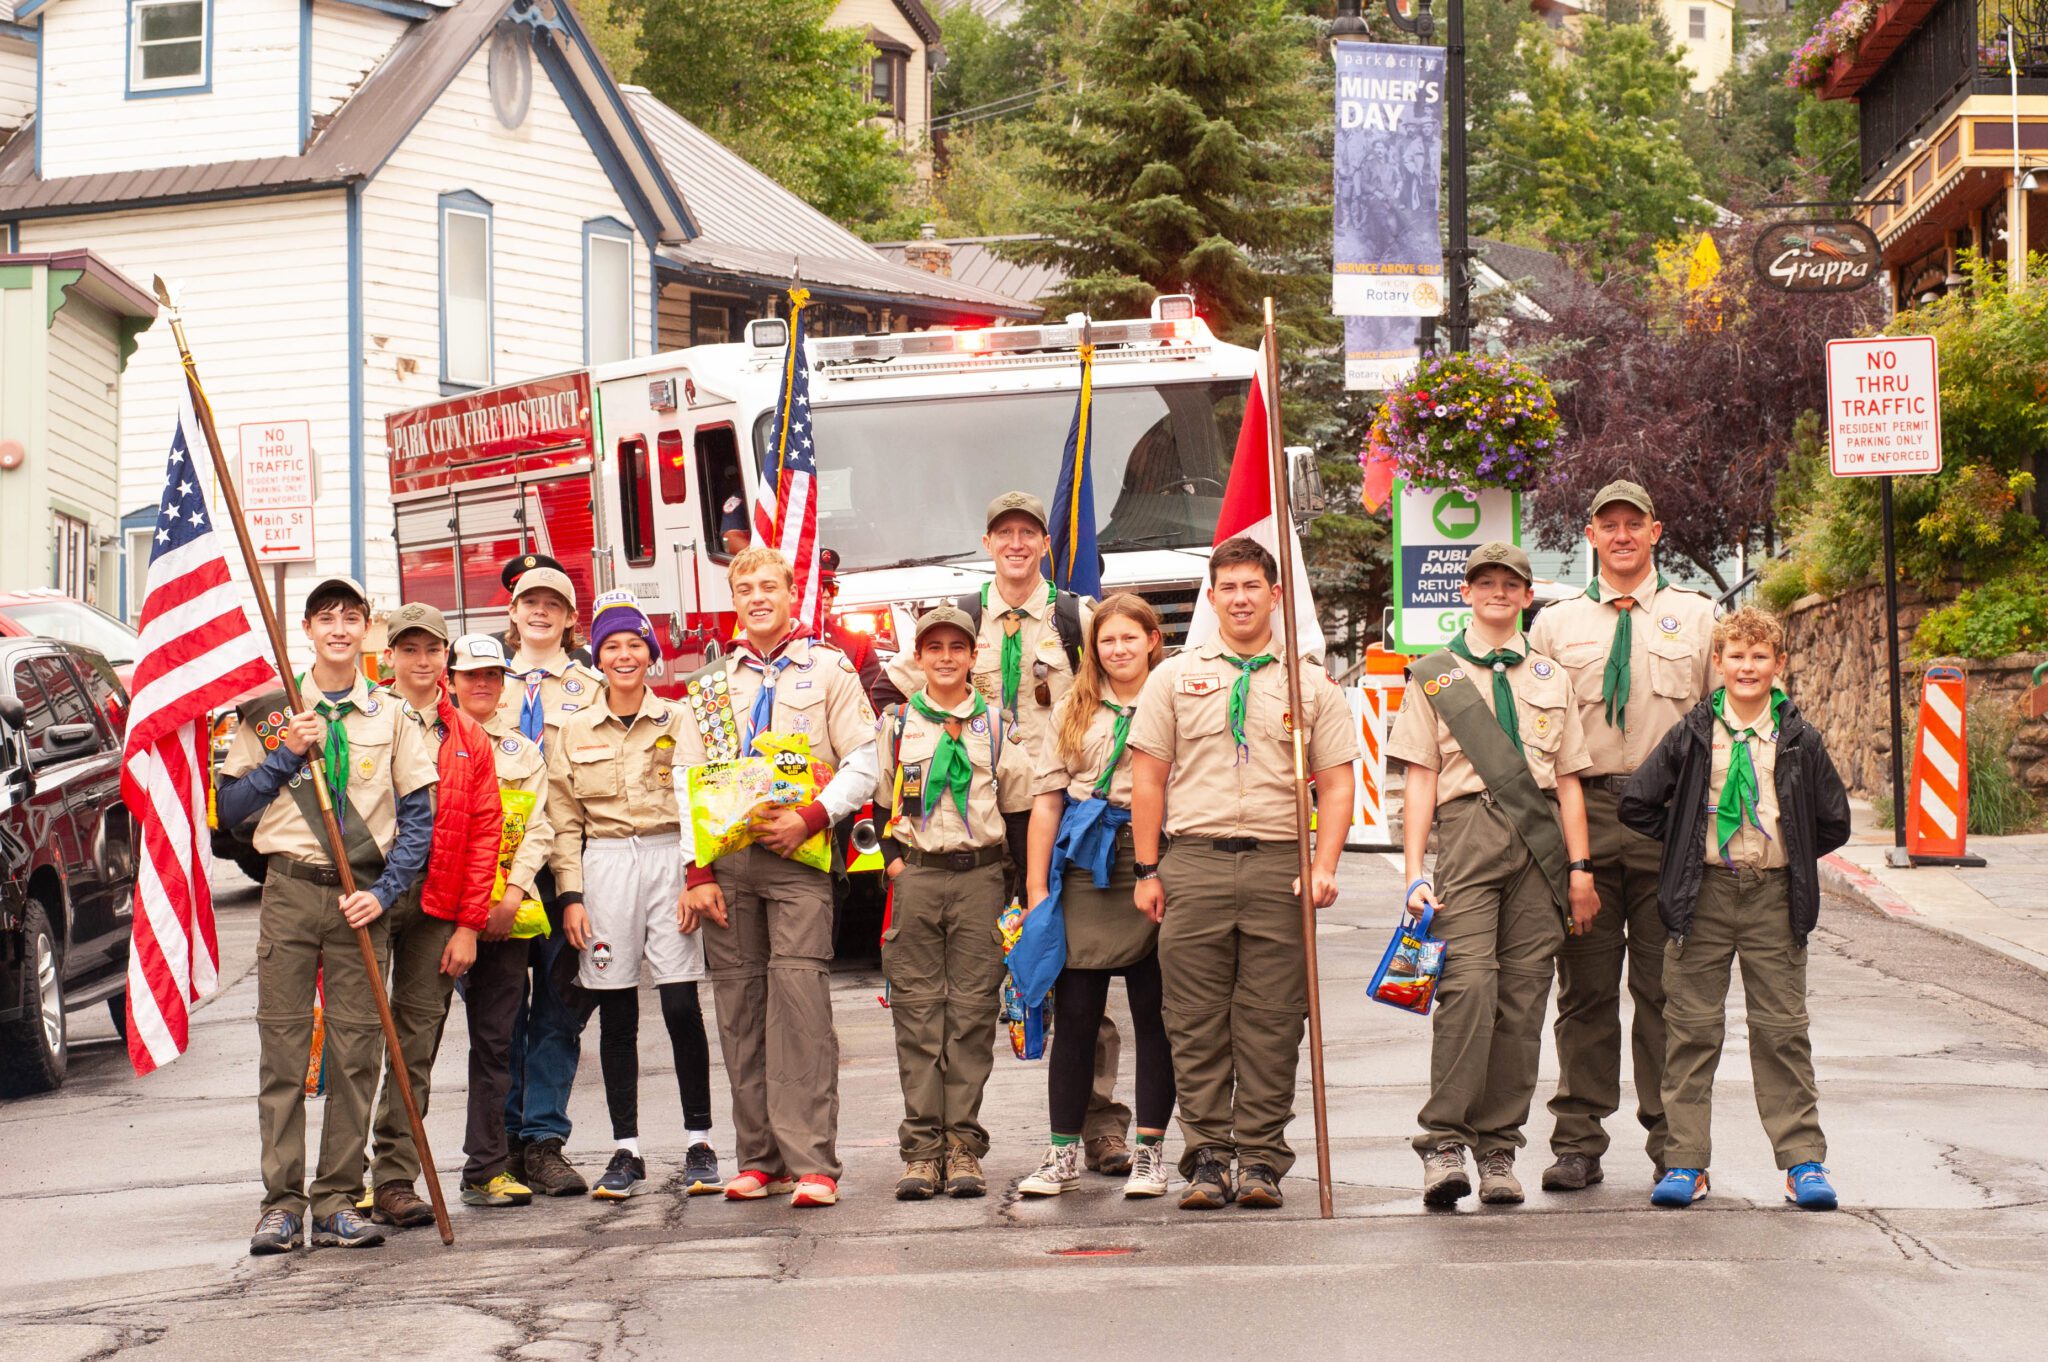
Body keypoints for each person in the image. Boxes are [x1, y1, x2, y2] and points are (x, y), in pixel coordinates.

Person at [885, 491, 1133, 1177]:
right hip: (985, 812)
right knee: (973, 982)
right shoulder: (960, 621)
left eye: (1029, 533)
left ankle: (1099, 1123)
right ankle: (958, 1138)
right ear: (987, 542)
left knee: (1079, 964)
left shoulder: (1075, 618)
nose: (1017, 544)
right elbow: (915, 708)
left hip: (1064, 805)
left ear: (1045, 544)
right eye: (1005, 534)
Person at [1129, 537, 1357, 1211]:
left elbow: (1337, 786)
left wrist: (1323, 865)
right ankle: (1207, 1158)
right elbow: (1148, 780)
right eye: (1226, 587)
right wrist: (1148, 869)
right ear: (1212, 596)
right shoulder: (1171, 678)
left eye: (1251, 586)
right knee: (1194, 1021)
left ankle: (1259, 1158)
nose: (1239, 598)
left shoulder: (1309, 684)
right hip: (1193, 863)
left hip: (1277, 867)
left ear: (1275, 595)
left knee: (1272, 1020)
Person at [218, 576, 437, 1254]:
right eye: (325, 617)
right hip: (288, 891)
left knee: (355, 1054)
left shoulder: (391, 714)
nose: (339, 628)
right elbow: (229, 813)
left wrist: (385, 891)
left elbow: (420, 820)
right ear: (307, 630)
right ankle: (281, 1203)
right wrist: (287, 756)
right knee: (282, 1052)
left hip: (360, 897)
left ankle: (338, 1198)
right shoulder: (270, 713)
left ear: (367, 630)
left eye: (351, 617)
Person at [1388, 542, 1600, 1209]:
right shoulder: (1437, 675)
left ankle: (1499, 1145)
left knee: (1524, 999)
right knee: (1470, 987)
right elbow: (1421, 778)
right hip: (1469, 834)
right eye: (1485, 582)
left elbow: (1567, 783)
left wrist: (1580, 869)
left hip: (1538, 845)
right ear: (1467, 592)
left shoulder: (1550, 675)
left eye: (1510, 583)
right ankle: (1444, 1140)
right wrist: (1414, 871)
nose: (1498, 593)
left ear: (1527, 595)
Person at [1618, 606, 1850, 1211]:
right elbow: (1638, 803)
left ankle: (1803, 1162)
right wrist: (1687, 840)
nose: (1747, 667)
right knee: (1691, 1031)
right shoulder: (1694, 733)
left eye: (1760, 657)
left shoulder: (1798, 736)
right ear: (1716, 664)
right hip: (1706, 896)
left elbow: (1832, 819)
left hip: (1774, 896)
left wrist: (1791, 849)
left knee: (1781, 1032)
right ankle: (1685, 1162)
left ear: (1779, 664)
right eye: (1735, 657)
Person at [1528, 481, 1716, 1193]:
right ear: (1590, 535)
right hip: (1584, 816)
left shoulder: (1696, 618)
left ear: (1656, 531)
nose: (1622, 535)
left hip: (1669, 818)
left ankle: (1674, 1142)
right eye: (1608, 525)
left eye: (1634, 524)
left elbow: (1720, 720)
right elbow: (1534, 731)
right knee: (1584, 991)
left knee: (1666, 991)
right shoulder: (1554, 626)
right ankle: (1578, 1140)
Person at [676, 547, 877, 1209]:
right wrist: (697, 871)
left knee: (800, 1007)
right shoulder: (710, 685)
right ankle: (759, 1158)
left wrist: (814, 816)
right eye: (745, 587)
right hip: (729, 867)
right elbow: (686, 780)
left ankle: (813, 1162)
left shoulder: (828, 670)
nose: (757, 595)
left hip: (799, 858)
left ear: (793, 594)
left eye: (769, 585)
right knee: (740, 1011)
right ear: (734, 597)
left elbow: (866, 760)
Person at [547, 590, 721, 1200]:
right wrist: (571, 895)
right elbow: (564, 820)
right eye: (612, 647)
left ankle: (699, 1140)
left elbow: (698, 801)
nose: (624, 656)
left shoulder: (679, 719)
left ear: (651, 654)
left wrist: (697, 875)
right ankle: (627, 1151)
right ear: (598, 658)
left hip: (667, 858)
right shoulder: (570, 730)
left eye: (635, 646)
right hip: (604, 867)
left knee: (679, 1006)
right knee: (616, 1012)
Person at [1018, 594, 1176, 1200]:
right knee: (1077, 1014)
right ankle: (1060, 1152)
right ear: (1094, 649)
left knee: (1153, 1016)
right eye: (1106, 641)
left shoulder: (1175, 701)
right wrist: (1037, 889)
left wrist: (1155, 864)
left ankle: (1151, 1154)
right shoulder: (1073, 707)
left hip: (1153, 861)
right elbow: (1048, 801)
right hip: (1086, 865)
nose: (1118, 650)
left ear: (1152, 641)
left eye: (1129, 639)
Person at [355, 603, 502, 1229]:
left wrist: (469, 924)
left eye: (431, 650)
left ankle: (394, 1177)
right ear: (388, 656)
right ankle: (341, 1178)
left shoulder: (467, 736)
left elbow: (484, 831)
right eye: (408, 650)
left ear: (445, 658)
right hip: (370, 900)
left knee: (415, 1045)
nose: (421, 661)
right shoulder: (364, 720)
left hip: (438, 907)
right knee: (358, 1039)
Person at [877, 604, 1014, 1200]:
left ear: (973, 656)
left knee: (972, 1015)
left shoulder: (998, 725)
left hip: (981, 876)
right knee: (917, 1013)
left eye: (957, 647)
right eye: (934, 648)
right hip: (921, 876)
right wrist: (897, 864)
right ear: (919, 656)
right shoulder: (898, 723)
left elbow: (1022, 803)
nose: (946, 658)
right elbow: (878, 802)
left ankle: (962, 1146)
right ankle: (921, 1151)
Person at [497, 559, 607, 1199]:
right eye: (528, 602)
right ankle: (503, 1138)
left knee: (564, 1011)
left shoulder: (591, 689)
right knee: (501, 1013)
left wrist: (579, 888)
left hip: (573, 873)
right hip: (501, 876)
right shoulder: (482, 682)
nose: (539, 612)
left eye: (553, 604)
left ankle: (544, 1140)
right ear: (513, 613)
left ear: (570, 619)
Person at [446, 632, 556, 1208]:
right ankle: (385, 1174)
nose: (482, 685)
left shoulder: (521, 752)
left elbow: (539, 828)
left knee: (495, 1041)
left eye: (492, 675)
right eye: (471, 675)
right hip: (434, 912)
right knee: (408, 1041)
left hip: (501, 915)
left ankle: (484, 1166)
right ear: (452, 680)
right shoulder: (424, 741)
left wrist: (513, 894)